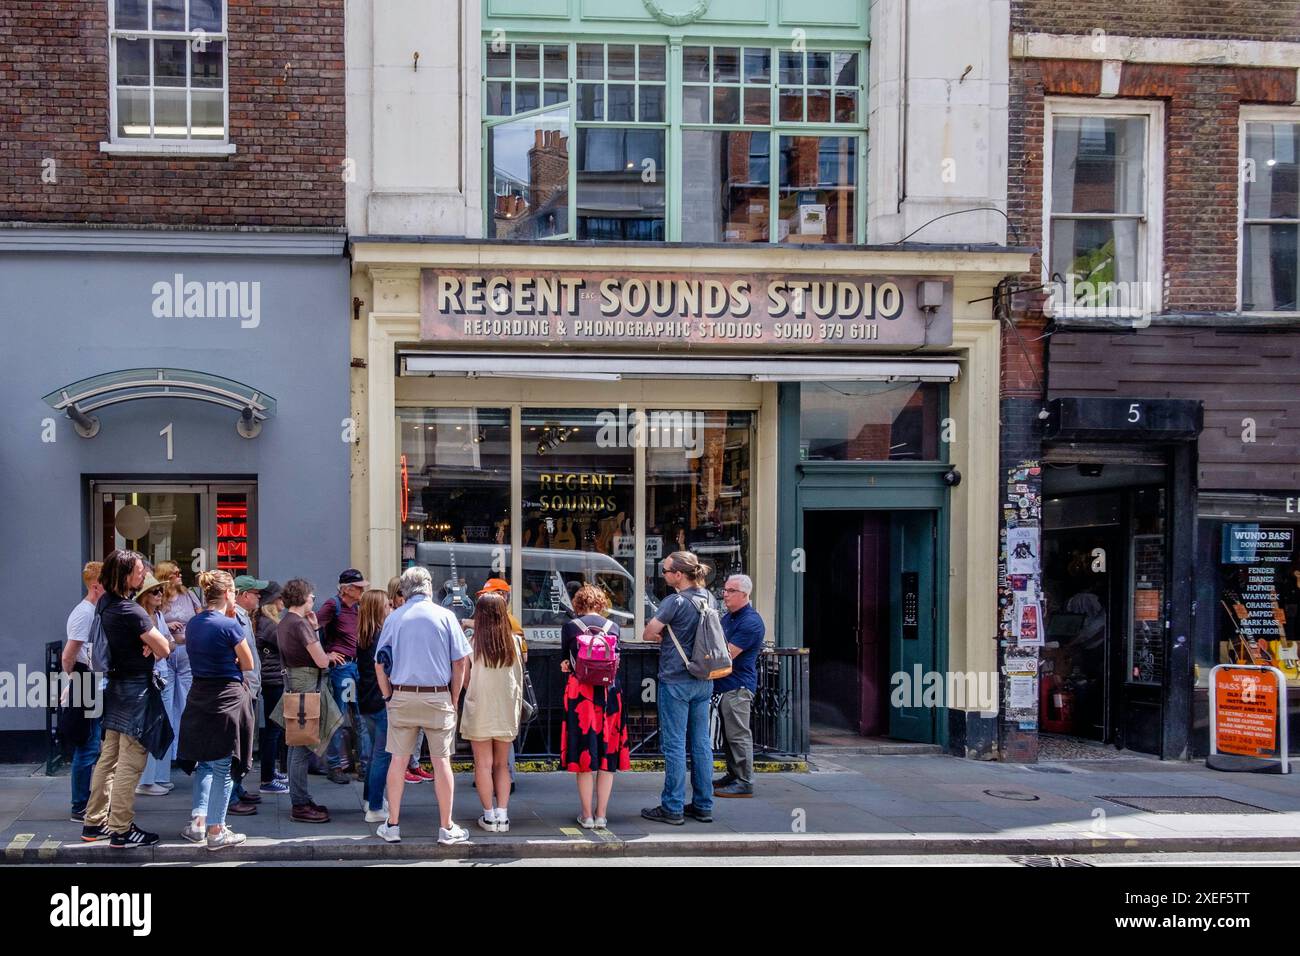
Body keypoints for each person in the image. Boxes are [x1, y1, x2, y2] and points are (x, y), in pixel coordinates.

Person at [81, 550, 173, 848]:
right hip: (137, 693)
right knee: (130, 763)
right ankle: (121, 829)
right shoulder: (130, 610)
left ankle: (94, 823)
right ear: (123, 574)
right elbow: (165, 648)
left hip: (116, 689)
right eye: (137, 570)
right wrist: (150, 642)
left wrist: (144, 643)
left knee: (108, 759)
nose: (143, 573)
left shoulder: (106, 604)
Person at [373, 566, 471, 845]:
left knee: (397, 761)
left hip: (402, 695)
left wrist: (387, 695)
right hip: (438, 695)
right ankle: (446, 827)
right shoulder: (446, 616)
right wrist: (453, 697)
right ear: (429, 586)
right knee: (442, 763)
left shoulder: (394, 618)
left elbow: (380, 662)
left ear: (404, 590)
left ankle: (392, 825)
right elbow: (460, 660)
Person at [176, 570, 256, 851]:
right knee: (223, 765)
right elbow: (247, 664)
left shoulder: (194, 623)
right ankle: (216, 830)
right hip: (226, 698)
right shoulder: (229, 625)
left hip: (199, 696)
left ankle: (198, 821)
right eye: (233, 591)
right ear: (227, 594)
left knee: (205, 763)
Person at [640, 551, 715, 826]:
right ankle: (703, 805)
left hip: (676, 679)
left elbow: (648, 632)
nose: (664, 575)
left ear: (679, 575)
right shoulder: (709, 598)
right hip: (704, 679)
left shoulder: (675, 601)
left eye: (666, 570)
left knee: (674, 745)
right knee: (701, 744)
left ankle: (672, 807)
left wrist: (664, 639)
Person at [268, 578, 342, 823]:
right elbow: (321, 660)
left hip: (296, 685)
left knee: (296, 745)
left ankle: (301, 798)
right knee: (300, 747)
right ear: (301, 597)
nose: (313, 599)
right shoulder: (298, 624)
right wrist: (329, 653)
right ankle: (299, 804)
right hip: (306, 685)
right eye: (311, 596)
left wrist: (315, 629)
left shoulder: (286, 622)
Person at [560, 584, 630, 829]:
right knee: (606, 757)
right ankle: (602, 815)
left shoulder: (570, 628)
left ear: (578, 604)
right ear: (602, 604)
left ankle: (587, 815)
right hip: (610, 695)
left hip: (581, 695)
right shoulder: (614, 628)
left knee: (584, 754)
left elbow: (566, 662)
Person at [461, 591, 524, 833]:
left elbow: (465, 680)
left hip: (479, 707)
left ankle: (488, 815)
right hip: (506, 709)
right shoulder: (515, 643)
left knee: (483, 765)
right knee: (502, 765)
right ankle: (503, 815)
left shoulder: (472, 644)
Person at [714, 574, 765, 798]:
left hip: (738, 686)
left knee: (738, 734)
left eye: (731, 591)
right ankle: (733, 775)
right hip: (725, 685)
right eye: (724, 590)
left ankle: (744, 781)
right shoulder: (729, 617)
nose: (725, 594)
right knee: (728, 734)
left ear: (745, 594)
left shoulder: (750, 622)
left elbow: (728, 654)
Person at [61, 561, 104, 822]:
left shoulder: (92, 611)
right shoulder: (84, 613)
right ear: (96, 586)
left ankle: (84, 801)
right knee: (87, 746)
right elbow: (69, 654)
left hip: (91, 682)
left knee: (91, 744)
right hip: (87, 683)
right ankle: (79, 805)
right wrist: (76, 678)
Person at [317, 568, 368, 784]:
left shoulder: (357, 607)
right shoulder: (333, 605)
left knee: (359, 717)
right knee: (341, 717)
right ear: (347, 589)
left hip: (355, 666)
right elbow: (311, 628)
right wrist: (325, 655)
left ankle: (363, 765)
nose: (362, 591)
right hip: (344, 667)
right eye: (358, 587)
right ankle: (335, 765)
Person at [224, 576, 267, 815]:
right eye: (254, 592)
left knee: (245, 745)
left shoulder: (244, 617)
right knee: (238, 745)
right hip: (244, 688)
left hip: (250, 687)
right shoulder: (235, 618)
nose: (258, 596)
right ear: (241, 595)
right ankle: (231, 795)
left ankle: (237, 788)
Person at [135, 574, 178, 796]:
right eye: (155, 591)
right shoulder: (141, 617)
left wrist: (160, 647)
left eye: (160, 591)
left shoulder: (158, 615)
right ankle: (146, 780)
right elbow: (163, 646)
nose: (160, 594)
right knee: (152, 726)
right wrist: (161, 647)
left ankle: (159, 776)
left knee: (165, 724)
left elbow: (168, 643)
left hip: (162, 676)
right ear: (144, 596)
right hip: (150, 678)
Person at [355, 588, 393, 824]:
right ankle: (375, 807)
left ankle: (371, 798)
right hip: (381, 700)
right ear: (380, 608)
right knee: (382, 756)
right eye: (387, 605)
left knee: (374, 756)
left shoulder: (363, 635)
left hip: (366, 699)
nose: (390, 608)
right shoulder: (381, 636)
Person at [156, 560, 196, 777]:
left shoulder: (188, 594)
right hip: (167, 652)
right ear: (165, 576)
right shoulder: (158, 597)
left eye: (180, 572)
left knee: (187, 701)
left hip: (186, 651)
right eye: (175, 573)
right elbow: (154, 620)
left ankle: (185, 751)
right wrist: (168, 625)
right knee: (167, 701)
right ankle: (168, 754)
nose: (180, 575)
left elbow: (199, 615)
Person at [255, 581, 290, 794]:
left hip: (272, 680)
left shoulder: (267, 622)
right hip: (273, 681)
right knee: (273, 730)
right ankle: (267, 778)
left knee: (273, 729)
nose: (283, 602)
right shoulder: (268, 624)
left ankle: (270, 772)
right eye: (280, 598)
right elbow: (287, 643)